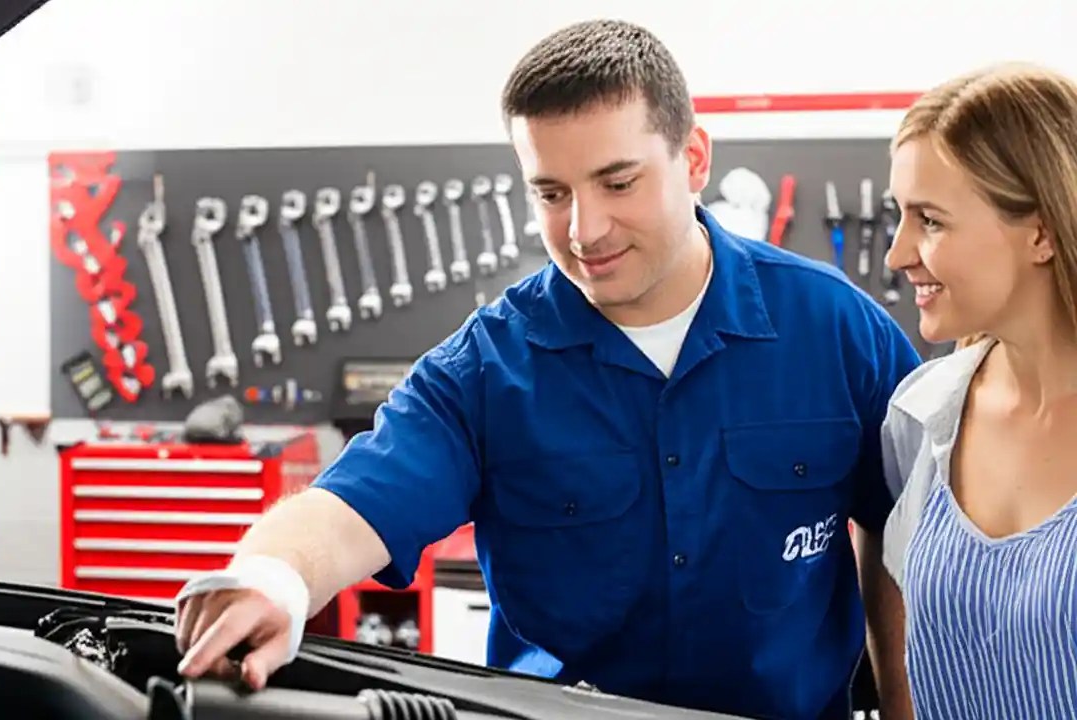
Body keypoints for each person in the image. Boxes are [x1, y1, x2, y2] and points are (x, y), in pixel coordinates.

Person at [175, 19, 921, 720]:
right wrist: (272, 577)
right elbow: (350, 508)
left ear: (693, 159)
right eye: (551, 193)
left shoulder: (836, 331)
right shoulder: (488, 368)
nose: (583, 230)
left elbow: (906, 535)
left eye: (618, 183)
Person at [882, 61, 1077, 718]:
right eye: (899, 216)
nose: (897, 253)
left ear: (1042, 233)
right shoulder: (920, 416)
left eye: (930, 220)